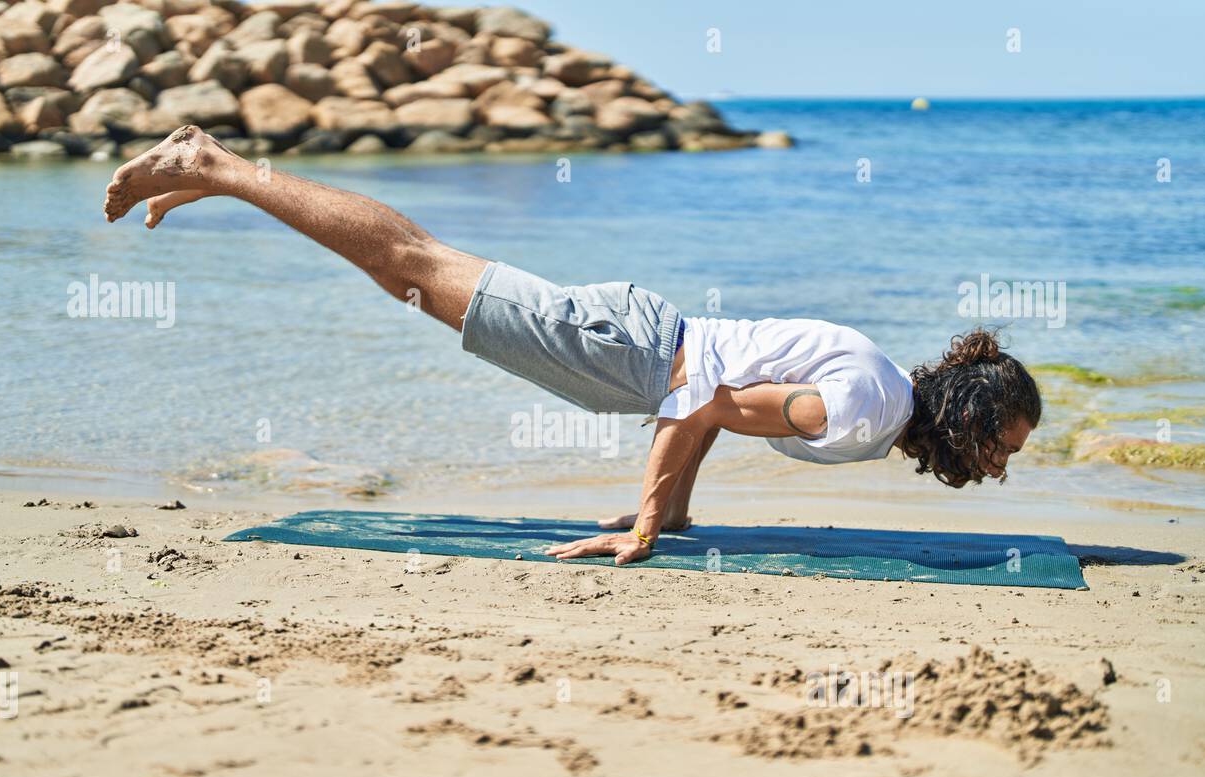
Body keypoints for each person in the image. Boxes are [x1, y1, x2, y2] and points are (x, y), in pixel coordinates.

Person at [103, 126, 1043, 566]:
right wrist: (644, 523)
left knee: (413, 268)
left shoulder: (879, 402)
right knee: (411, 267)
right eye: (1003, 446)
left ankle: (225, 173)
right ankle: (216, 166)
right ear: (969, 416)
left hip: (634, 343)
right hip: (628, 348)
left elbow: (717, 392)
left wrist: (672, 514)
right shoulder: (866, 410)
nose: (1000, 468)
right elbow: (700, 401)